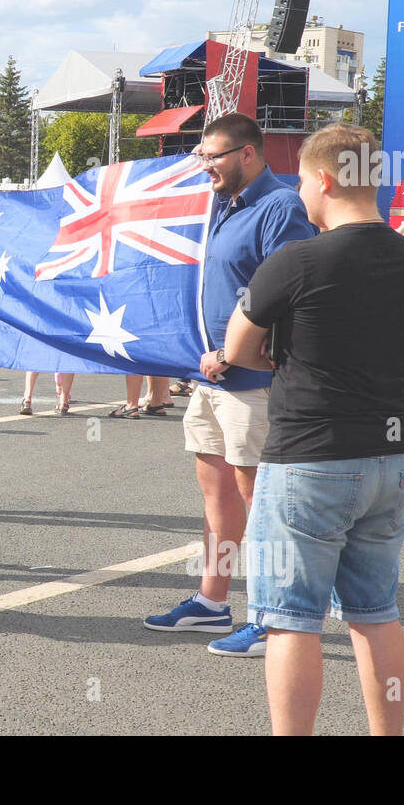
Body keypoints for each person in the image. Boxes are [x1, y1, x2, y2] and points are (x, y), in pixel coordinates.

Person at [224, 122, 404, 735]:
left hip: (310, 454)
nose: (300, 198)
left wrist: (278, 354)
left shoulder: (298, 260)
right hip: (390, 454)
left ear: (325, 178)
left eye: (303, 183)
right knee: (375, 613)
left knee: (291, 620)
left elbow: (238, 348)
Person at [143, 111, 316, 658]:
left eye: (212, 155)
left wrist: (230, 353)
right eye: (201, 155)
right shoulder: (221, 203)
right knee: (216, 495)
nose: (203, 165)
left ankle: (272, 618)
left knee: (262, 501)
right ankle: (212, 600)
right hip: (211, 379)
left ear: (247, 153)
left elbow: (283, 295)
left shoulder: (280, 206)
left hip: (252, 383)